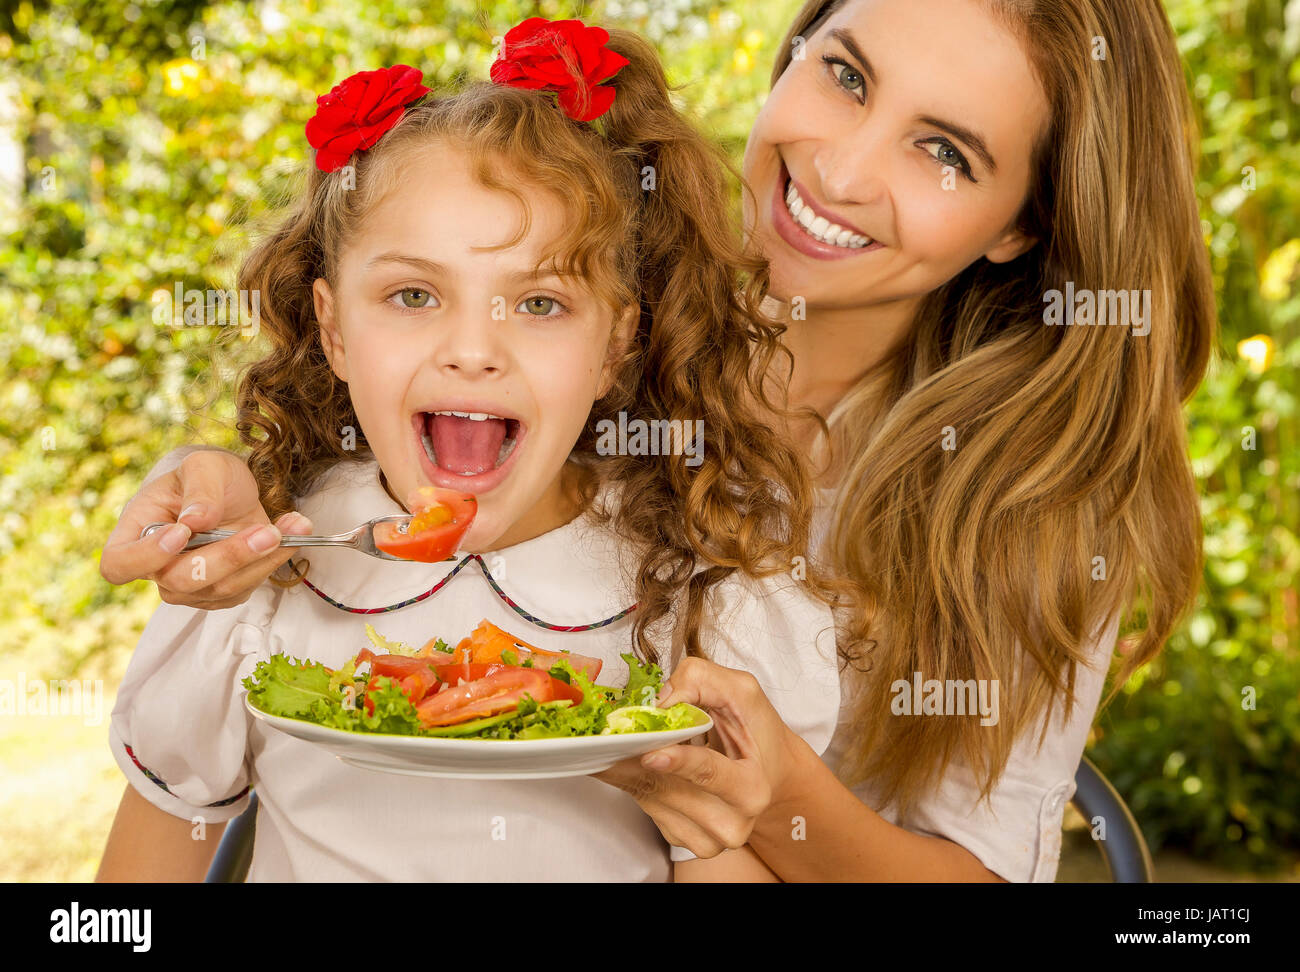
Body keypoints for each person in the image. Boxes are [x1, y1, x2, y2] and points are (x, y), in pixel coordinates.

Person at [101, 0, 1215, 882]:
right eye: (845, 74)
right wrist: (215, 484)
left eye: (945, 151)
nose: (838, 171)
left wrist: (769, 794)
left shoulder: (1033, 500)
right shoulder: (595, 281)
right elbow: (364, 410)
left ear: (1026, 220)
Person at [96, 18, 842, 882]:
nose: (473, 349)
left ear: (616, 347)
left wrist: (693, 794)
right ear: (334, 329)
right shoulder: (270, 567)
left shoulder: (690, 588)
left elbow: (721, 858)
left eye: (538, 304)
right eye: (413, 294)